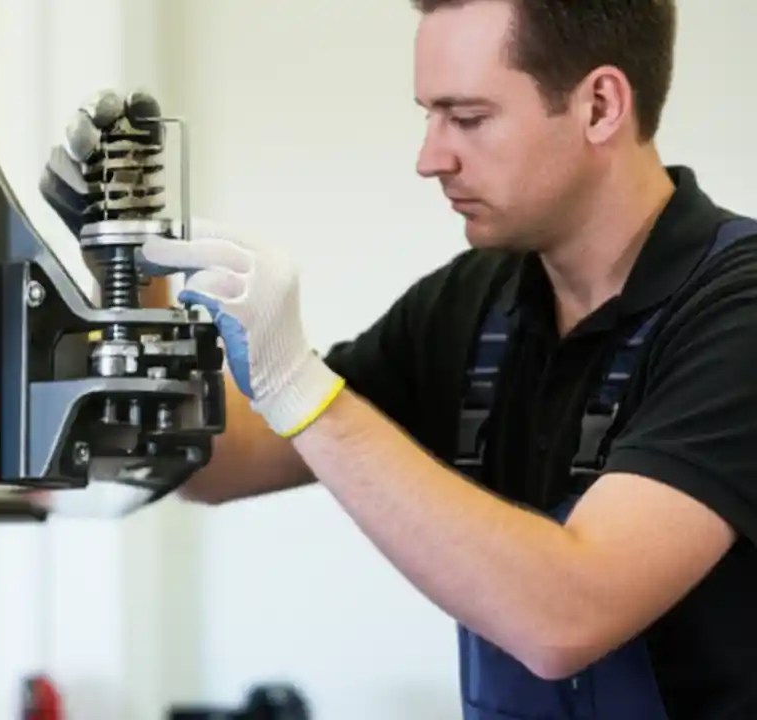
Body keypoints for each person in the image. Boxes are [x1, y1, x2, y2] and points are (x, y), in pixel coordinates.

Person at [41, 0, 757, 717]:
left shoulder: (736, 311)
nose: (430, 158)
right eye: (429, 116)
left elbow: (567, 615)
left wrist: (298, 382)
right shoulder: (476, 303)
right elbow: (218, 460)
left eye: (468, 118)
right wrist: (131, 279)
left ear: (600, 105)